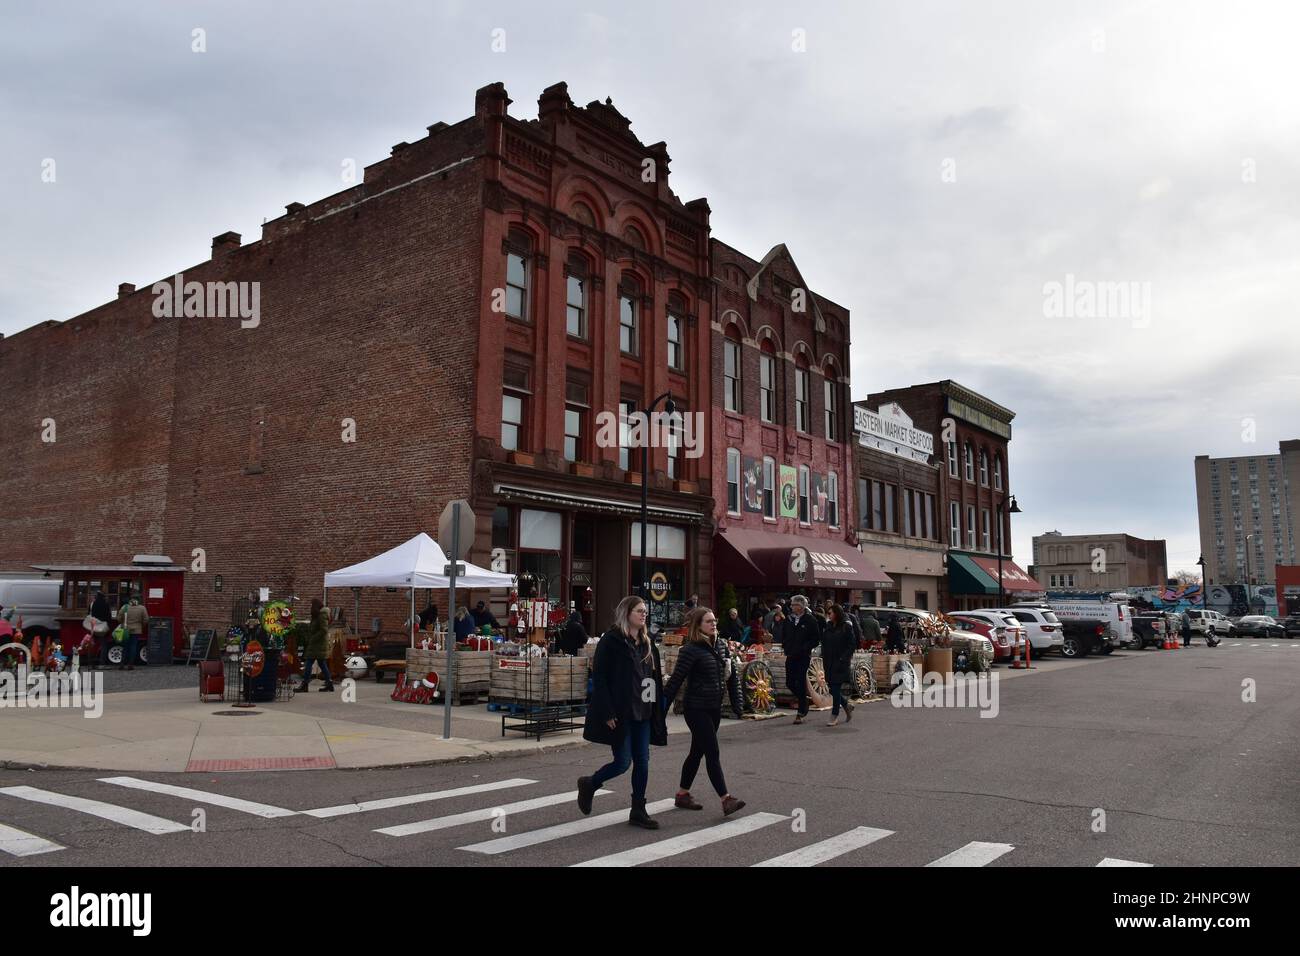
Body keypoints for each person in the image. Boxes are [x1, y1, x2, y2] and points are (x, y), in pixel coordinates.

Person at [578, 595, 668, 829]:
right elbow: (600, 677)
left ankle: (638, 809)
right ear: (627, 613)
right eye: (639, 610)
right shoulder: (612, 640)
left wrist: (658, 709)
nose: (643, 614)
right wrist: (607, 712)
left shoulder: (648, 643)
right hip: (622, 711)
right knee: (622, 762)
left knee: (643, 762)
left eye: (645, 611)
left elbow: (654, 678)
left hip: (644, 711)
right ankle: (590, 783)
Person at [662, 607, 746, 816]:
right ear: (698, 625)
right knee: (712, 752)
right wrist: (659, 710)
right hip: (696, 708)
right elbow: (676, 680)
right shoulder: (690, 650)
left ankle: (682, 795)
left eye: (714, 621)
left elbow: (731, 676)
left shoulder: (721, 645)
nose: (713, 624)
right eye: (708, 621)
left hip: (713, 707)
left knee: (696, 753)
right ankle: (726, 799)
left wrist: (738, 705)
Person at [775, 594, 821, 724]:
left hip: (803, 656)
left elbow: (815, 639)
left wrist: (805, 648)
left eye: (794, 605)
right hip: (790, 655)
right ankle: (803, 699)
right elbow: (784, 634)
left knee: (800, 681)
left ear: (801, 607)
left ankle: (801, 710)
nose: (791, 607)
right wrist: (785, 646)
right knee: (790, 682)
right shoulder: (789, 619)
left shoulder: (810, 620)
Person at [821, 605, 857, 726]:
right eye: (828, 613)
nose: (829, 615)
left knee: (835, 687)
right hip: (829, 661)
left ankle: (834, 714)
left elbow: (852, 644)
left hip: (840, 662)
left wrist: (843, 658)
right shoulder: (828, 626)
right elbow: (824, 642)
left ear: (837, 613)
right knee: (832, 688)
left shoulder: (846, 626)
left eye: (830, 613)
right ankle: (846, 705)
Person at [299, 598, 334, 692]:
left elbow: (324, 630)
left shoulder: (321, 615)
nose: (310, 607)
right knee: (322, 664)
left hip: (317, 644)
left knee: (309, 662)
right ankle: (329, 683)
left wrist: (312, 639)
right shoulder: (318, 614)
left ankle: (305, 684)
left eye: (311, 605)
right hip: (318, 644)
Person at [119, 595, 149, 670]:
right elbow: (146, 619)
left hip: (126, 629)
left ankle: (122, 664)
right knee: (133, 647)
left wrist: (123, 623)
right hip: (136, 630)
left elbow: (119, 618)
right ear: (138, 600)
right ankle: (131, 664)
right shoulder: (142, 608)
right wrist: (141, 625)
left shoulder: (124, 607)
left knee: (125, 647)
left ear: (130, 599)